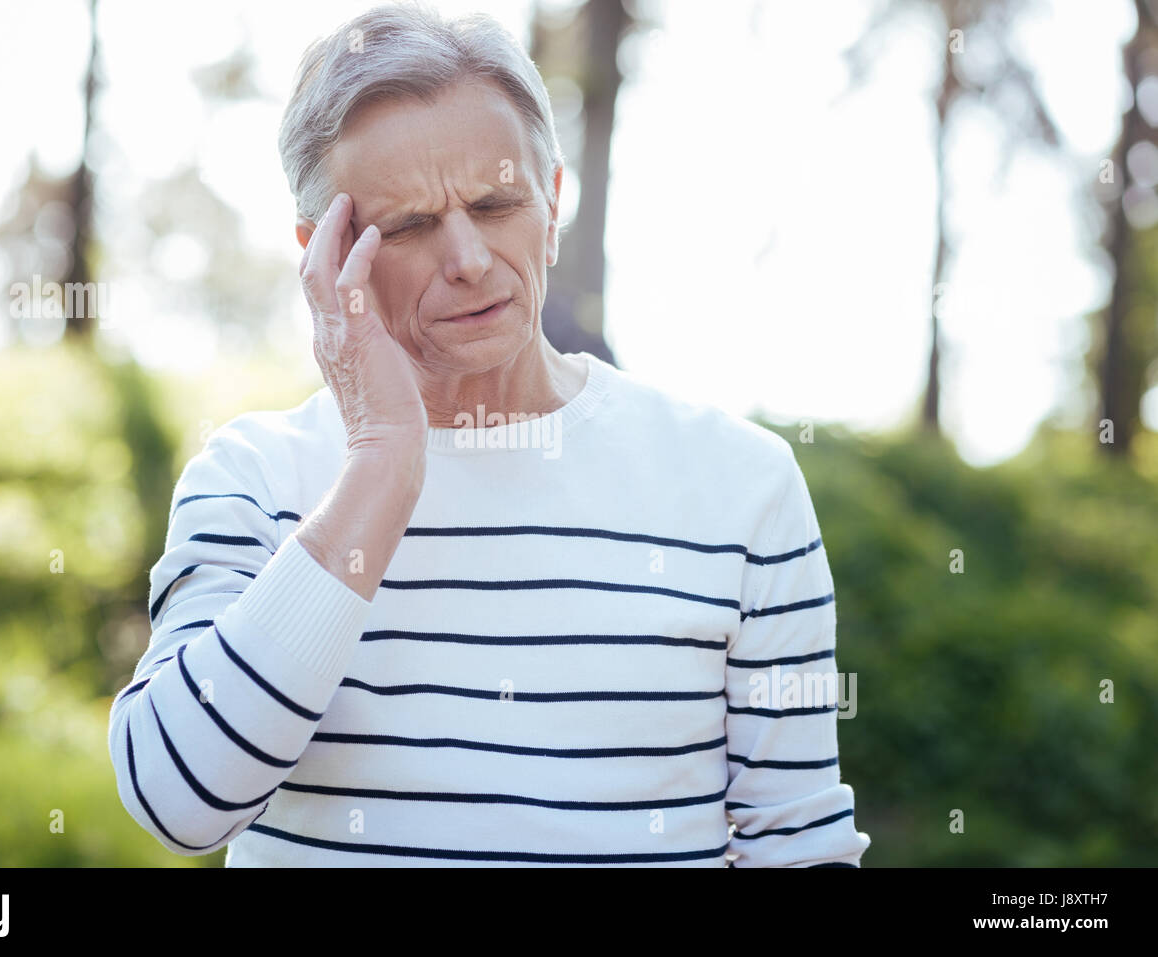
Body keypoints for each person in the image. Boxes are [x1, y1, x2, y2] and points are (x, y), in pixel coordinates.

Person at [107, 0, 871, 867]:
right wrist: (382, 466)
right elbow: (178, 802)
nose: (468, 256)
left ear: (550, 201)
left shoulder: (743, 485)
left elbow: (798, 847)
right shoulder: (251, 476)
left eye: (496, 202)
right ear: (322, 252)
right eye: (410, 225)